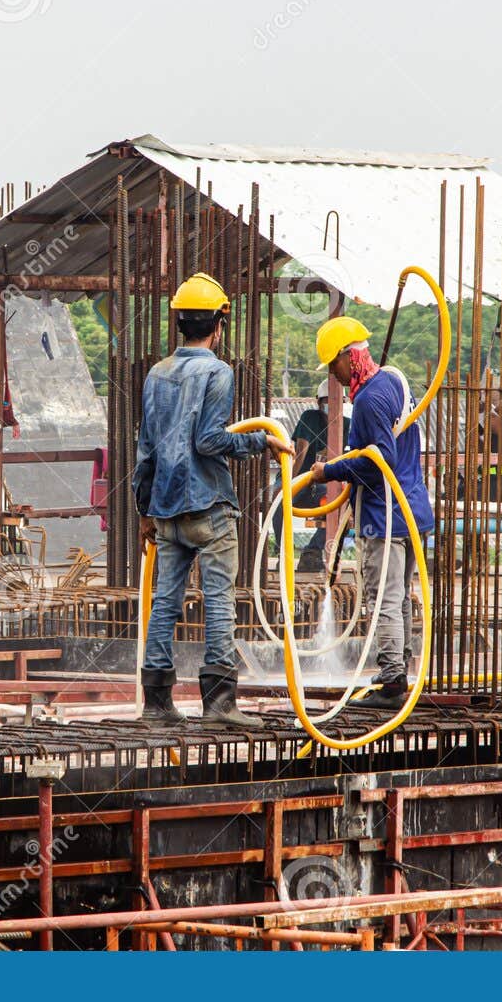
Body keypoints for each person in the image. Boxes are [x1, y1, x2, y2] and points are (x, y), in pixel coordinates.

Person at [133, 272, 291, 728]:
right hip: (209, 507)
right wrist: (260, 441)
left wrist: (145, 510)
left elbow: (145, 449)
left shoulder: (156, 374)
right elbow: (208, 441)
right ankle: (219, 701)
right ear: (219, 325)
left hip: (165, 511)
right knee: (219, 599)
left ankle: (157, 705)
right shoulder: (219, 372)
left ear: (180, 322)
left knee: (165, 601)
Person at [308, 316, 436, 710]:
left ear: (349, 356)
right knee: (398, 599)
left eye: (334, 363)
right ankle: (398, 671)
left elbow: (377, 460)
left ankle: (393, 681)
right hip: (413, 510)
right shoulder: (394, 381)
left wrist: (329, 470)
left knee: (383, 599)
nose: (333, 374)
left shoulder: (367, 401)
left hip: (385, 516)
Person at [292, 380, 351, 572]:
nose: (333, 405)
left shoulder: (348, 424)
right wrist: (289, 484)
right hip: (303, 481)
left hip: (326, 485)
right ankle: (285, 553)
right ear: (319, 403)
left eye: (338, 401)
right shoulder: (310, 418)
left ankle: (313, 552)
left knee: (342, 509)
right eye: (328, 401)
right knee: (279, 507)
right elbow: (301, 450)